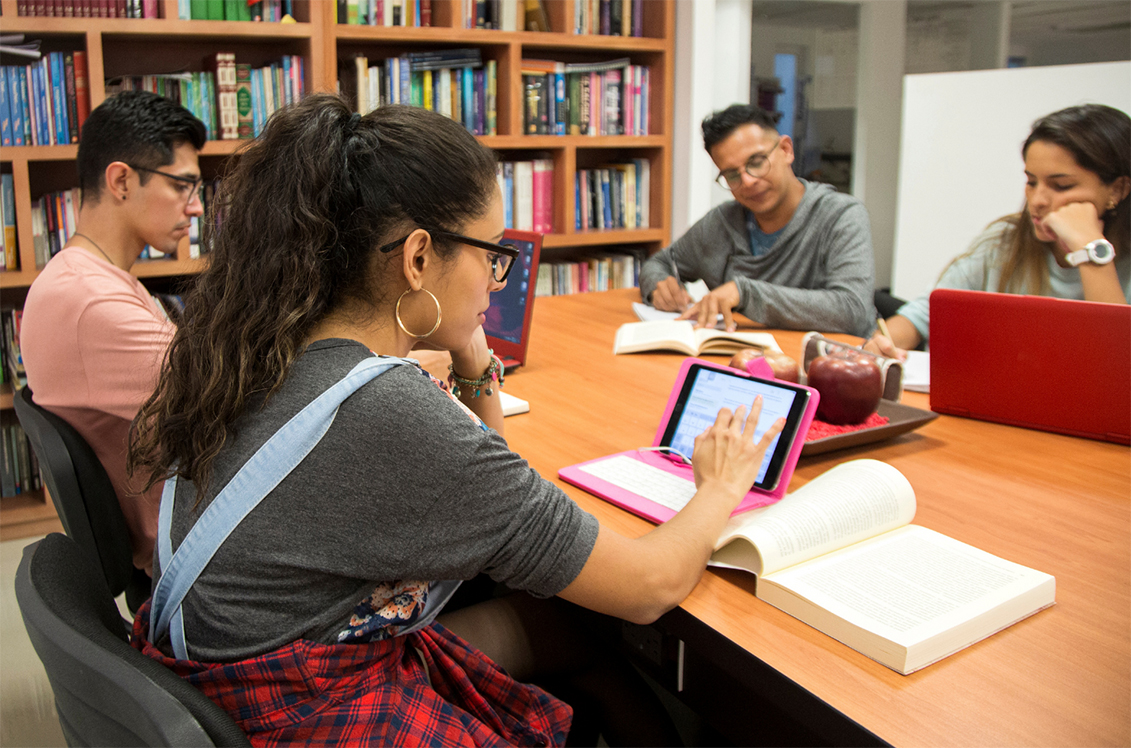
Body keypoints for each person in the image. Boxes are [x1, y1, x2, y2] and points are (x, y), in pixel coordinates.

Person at [126, 95, 785, 746]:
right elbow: (649, 587)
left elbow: (488, 511)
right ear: (416, 259)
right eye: (490, 253)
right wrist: (721, 484)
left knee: (565, 630)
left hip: (238, 671)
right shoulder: (385, 409)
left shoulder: (260, 347)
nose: (495, 280)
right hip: (304, 705)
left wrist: (472, 357)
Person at [20, 91, 206, 574]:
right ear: (122, 180)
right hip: (196, 557)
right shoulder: (87, 301)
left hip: (196, 532)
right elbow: (232, 399)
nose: (197, 208)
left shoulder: (94, 280)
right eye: (183, 186)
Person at [868, 104, 1130, 359]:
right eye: (1031, 182)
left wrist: (1090, 248)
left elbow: (1118, 363)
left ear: (1117, 190)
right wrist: (883, 345)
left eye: (1061, 186)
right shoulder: (1004, 243)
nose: (1037, 200)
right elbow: (927, 313)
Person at [639, 103, 876, 337]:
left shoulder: (841, 215)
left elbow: (852, 309)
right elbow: (659, 263)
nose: (748, 181)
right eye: (732, 175)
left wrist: (745, 294)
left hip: (833, 365)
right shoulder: (721, 224)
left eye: (756, 162)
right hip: (744, 362)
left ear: (786, 150)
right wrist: (659, 286)